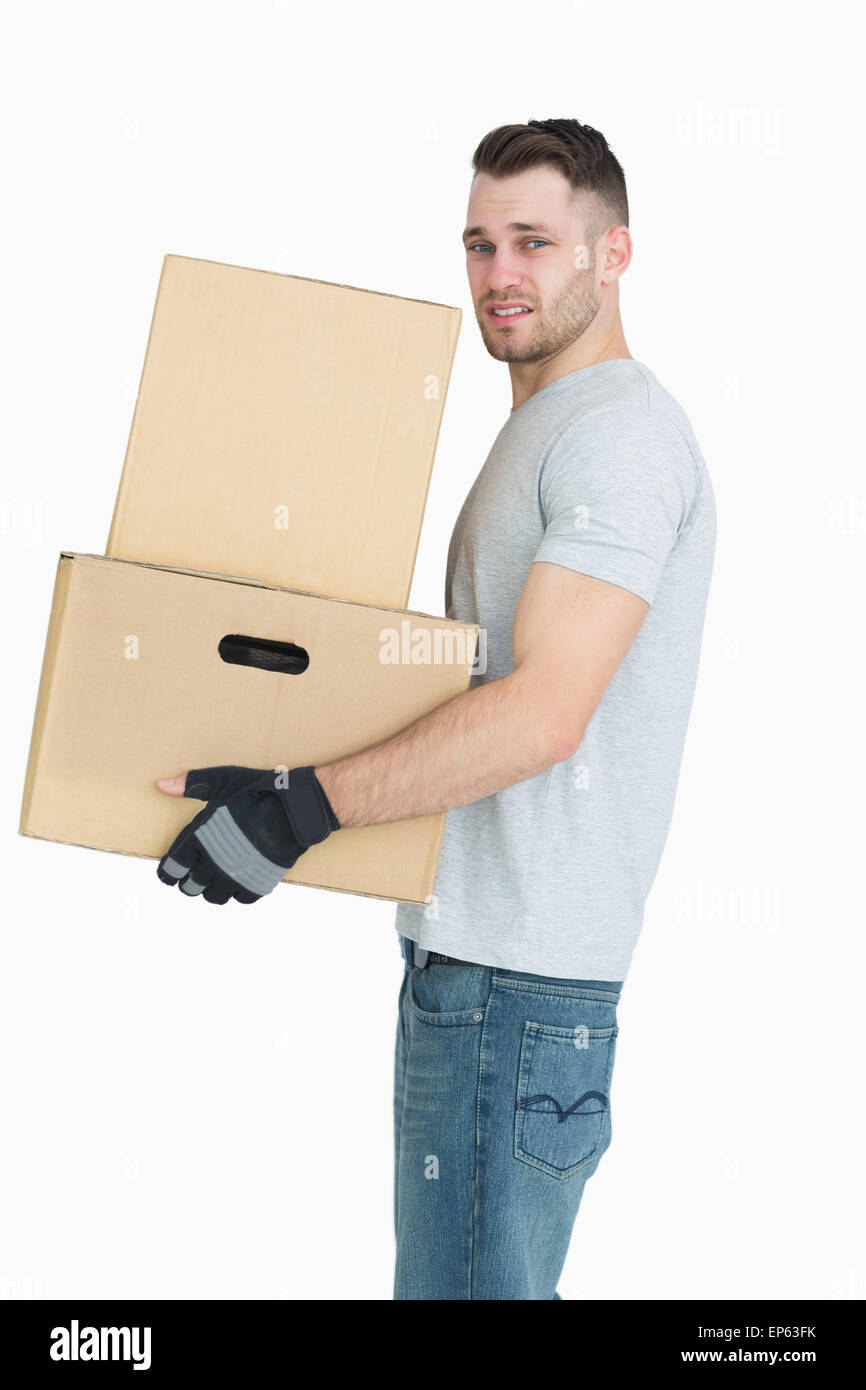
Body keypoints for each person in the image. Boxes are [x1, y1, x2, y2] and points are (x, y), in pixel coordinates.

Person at [156, 117, 716, 1300]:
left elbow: (542, 713)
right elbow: (460, 684)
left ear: (612, 254)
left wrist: (298, 810)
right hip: (475, 971)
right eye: (477, 243)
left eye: (532, 241)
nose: (499, 274)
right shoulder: (543, 426)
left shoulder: (615, 439)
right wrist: (264, 765)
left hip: (513, 987)